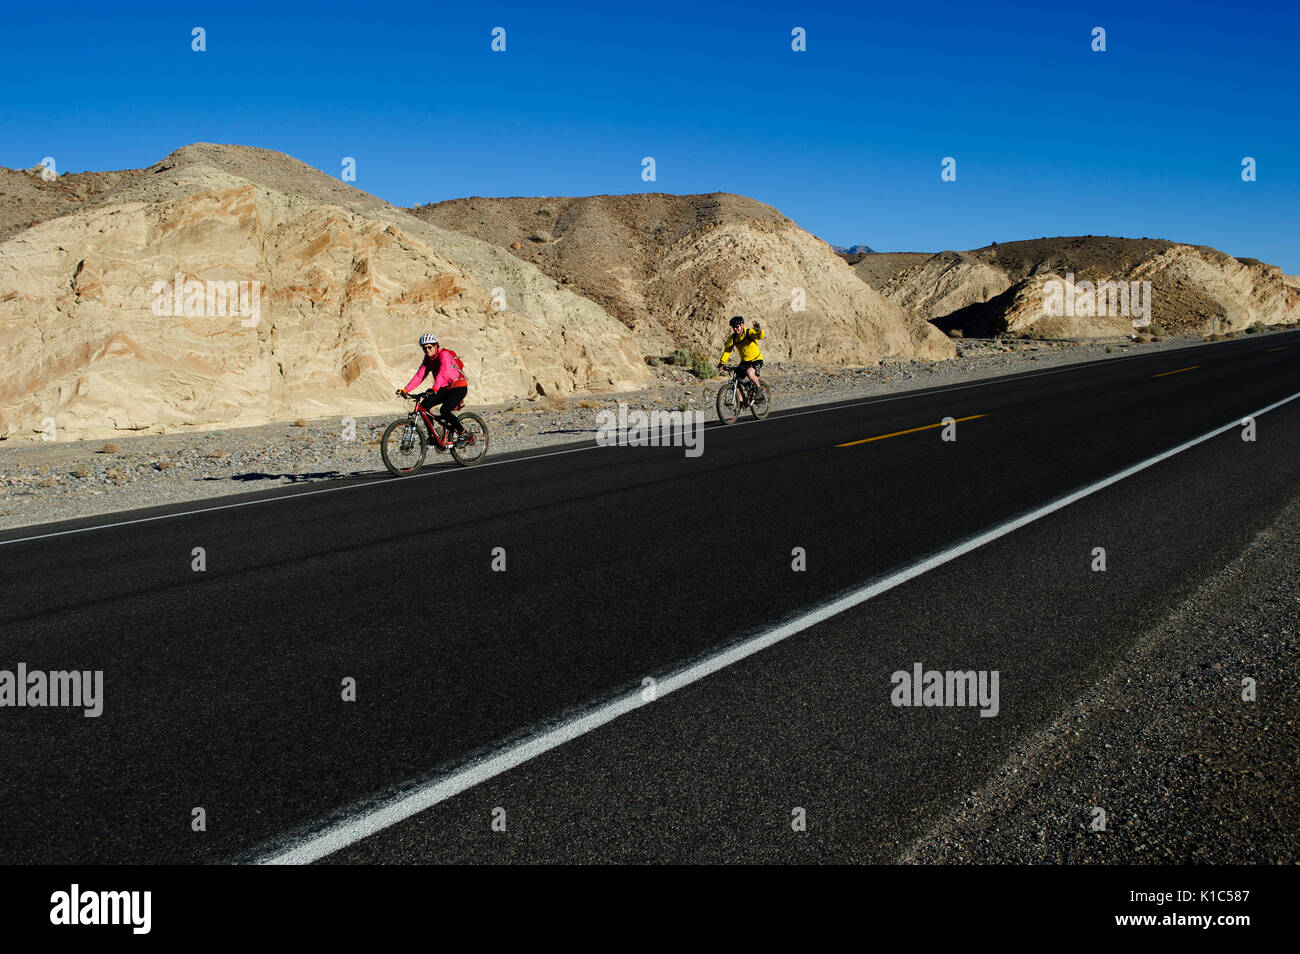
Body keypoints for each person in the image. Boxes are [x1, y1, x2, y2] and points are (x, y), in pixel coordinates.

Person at [396, 333, 471, 444]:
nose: (427, 350)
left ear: (436, 346)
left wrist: (434, 388)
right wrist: (406, 390)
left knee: (444, 410)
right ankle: (433, 436)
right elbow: (419, 376)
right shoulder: (427, 360)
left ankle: (463, 433)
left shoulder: (444, 355)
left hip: (458, 387)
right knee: (424, 407)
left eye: (429, 347)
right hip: (444, 388)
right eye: (424, 348)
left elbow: (443, 373)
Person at [717, 315, 764, 393]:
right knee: (736, 382)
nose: (735, 329)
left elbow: (759, 336)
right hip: (744, 362)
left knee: (750, 373)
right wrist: (722, 363)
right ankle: (741, 404)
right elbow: (727, 351)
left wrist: (759, 330)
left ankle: (759, 389)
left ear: (742, 325)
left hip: (756, 359)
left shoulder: (749, 332)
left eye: (737, 326)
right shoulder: (733, 338)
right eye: (733, 327)